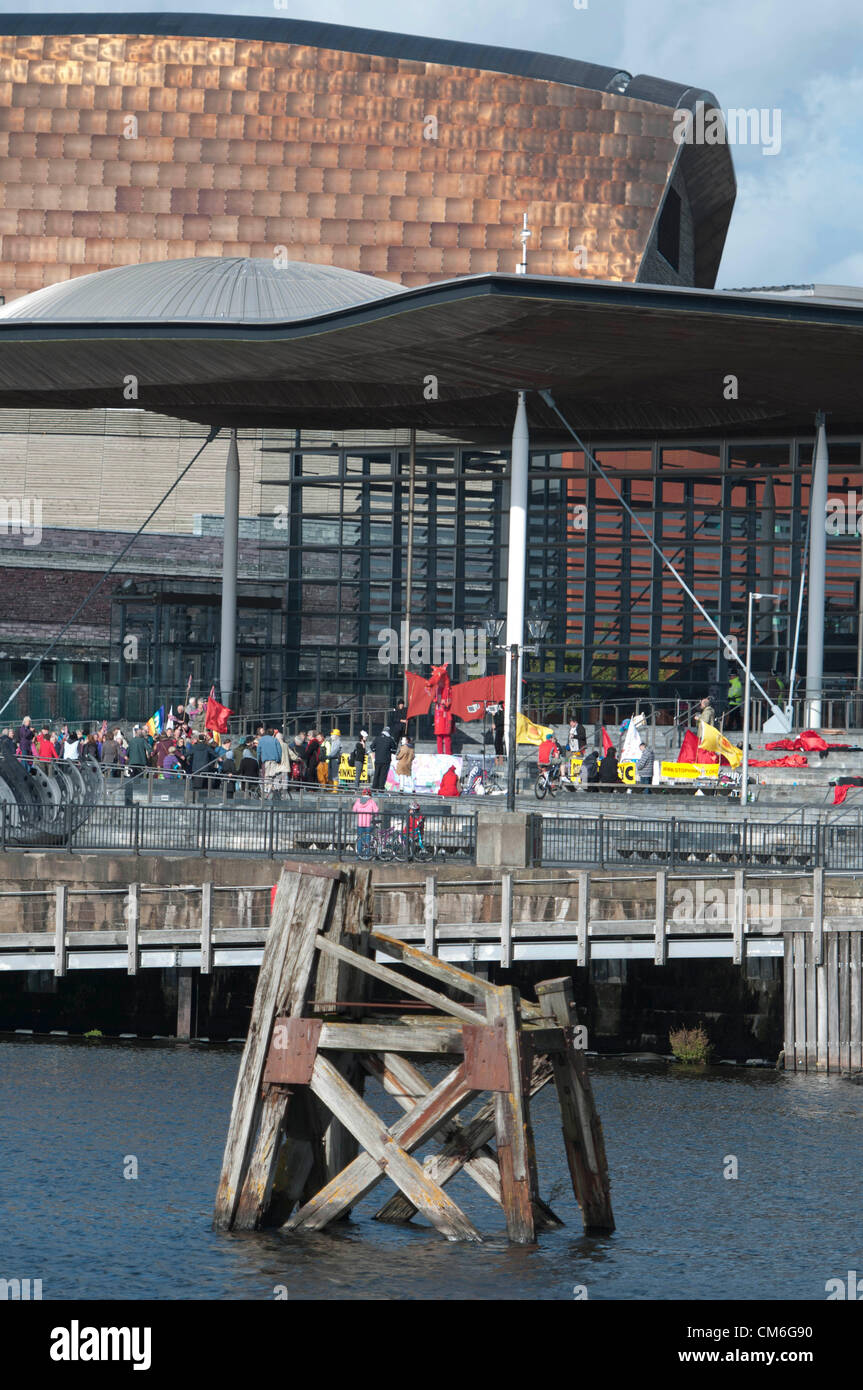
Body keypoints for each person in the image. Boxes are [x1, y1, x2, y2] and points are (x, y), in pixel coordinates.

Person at [352, 785, 379, 854]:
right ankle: (367, 854)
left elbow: (354, 810)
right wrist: (375, 815)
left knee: (359, 839)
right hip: (368, 823)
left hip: (360, 823)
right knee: (368, 839)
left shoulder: (358, 801)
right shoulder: (371, 801)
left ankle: (359, 854)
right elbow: (376, 811)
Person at [256, 726, 282, 798]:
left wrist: (258, 760)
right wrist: (279, 759)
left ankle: (266, 791)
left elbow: (258, 751)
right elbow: (279, 751)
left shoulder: (261, 740)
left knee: (266, 776)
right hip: (274, 760)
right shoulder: (275, 740)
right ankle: (272, 791)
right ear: (273, 733)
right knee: (273, 776)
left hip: (266, 760)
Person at [371, 726, 395, 791]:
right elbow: (394, 750)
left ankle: (374, 787)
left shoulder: (377, 738)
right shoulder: (390, 739)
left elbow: (372, 747)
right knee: (383, 775)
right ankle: (381, 788)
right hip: (386, 760)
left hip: (378, 759)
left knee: (377, 773)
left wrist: (377, 750)